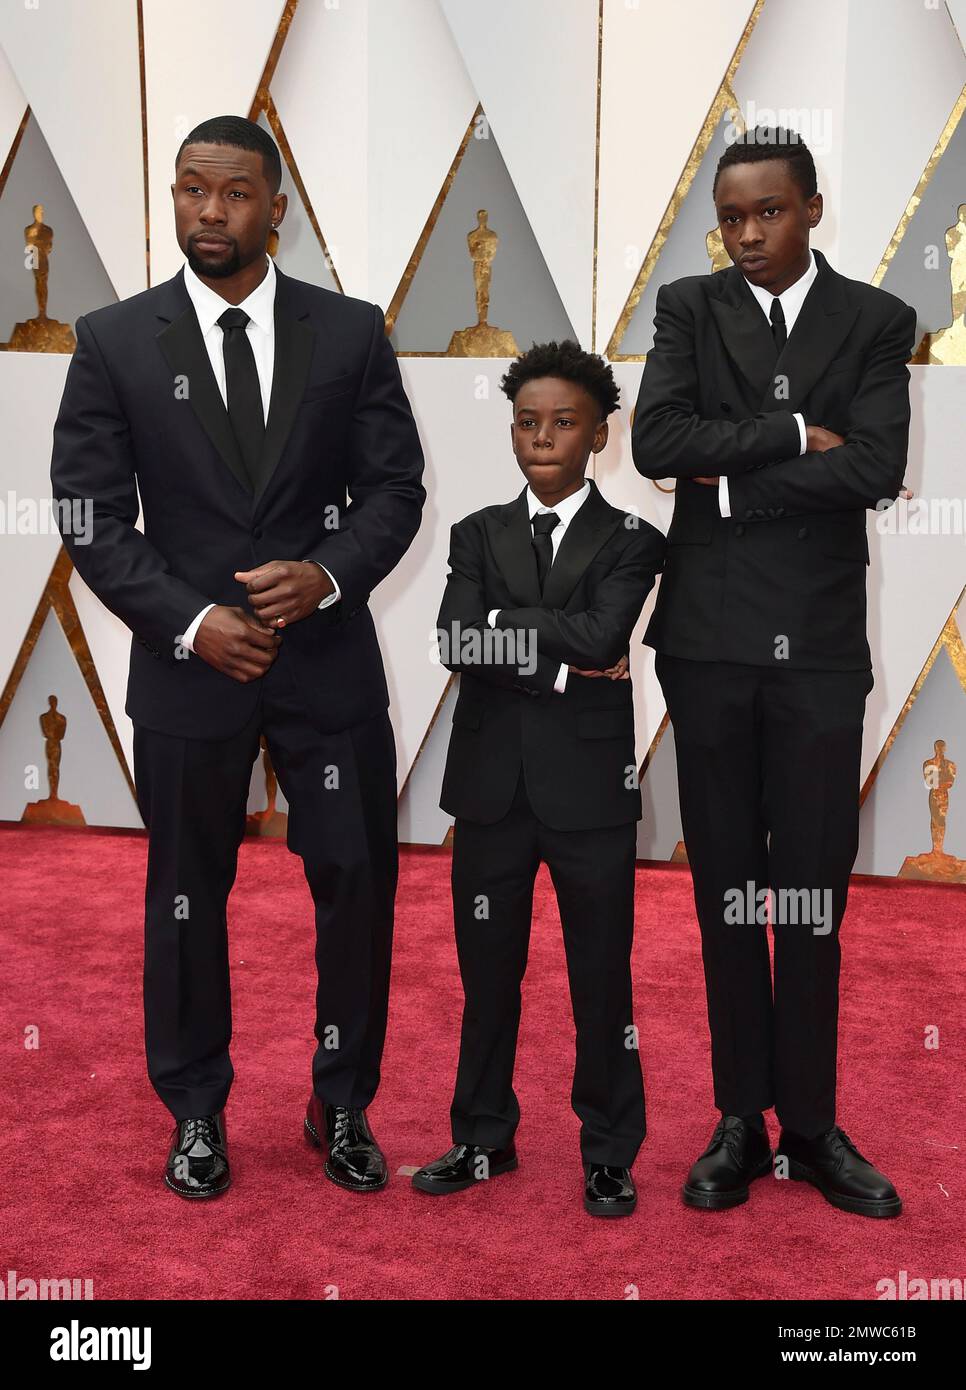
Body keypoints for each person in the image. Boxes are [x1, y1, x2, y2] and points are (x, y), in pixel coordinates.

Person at [50, 115, 425, 1199]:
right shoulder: (114, 339)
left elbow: (394, 490)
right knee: (184, 892)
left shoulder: (349, 333)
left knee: (354, 879)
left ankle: (341, 1100)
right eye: (190, 191)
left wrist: (326, 574)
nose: (209, 213)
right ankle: (197, 1110)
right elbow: (90, 514)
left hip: (328, 665)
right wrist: (191, 620)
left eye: (233, 194)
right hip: (187, 668)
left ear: (276, 207)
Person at [632, 128, 916, 1218]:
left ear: (811, 208)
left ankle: (812, 1123)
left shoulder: (879, 320)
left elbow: (880, 468)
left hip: (818, 651)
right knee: (725, 892)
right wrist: (800, 433)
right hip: (706, 645)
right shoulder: (690, 308)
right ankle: (739, 1121)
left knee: (808, 892)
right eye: (732, 218)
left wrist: (734, 478)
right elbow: (659, 441)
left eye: (770, 214)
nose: (748, 236)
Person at [412, 340, 665, 1216]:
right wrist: (555, 658)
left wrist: (505, 626)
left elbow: (606, 638)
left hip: (591, 794)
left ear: (600, 435)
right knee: (488, 974)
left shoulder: (637, 538)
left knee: (603, 975)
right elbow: (454, 640)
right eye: (527, 422)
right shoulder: (475, 531)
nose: (541, 438)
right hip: (490, 791)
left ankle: (609, 1148)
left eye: (563, 423)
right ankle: (482, 1138)